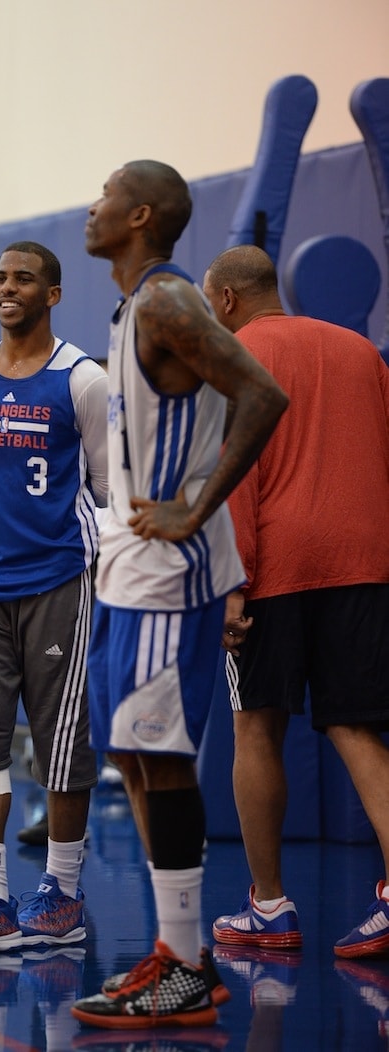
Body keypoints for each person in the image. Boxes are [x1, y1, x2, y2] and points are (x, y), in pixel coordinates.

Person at [70, 161, 288, 1031]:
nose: (92, 206)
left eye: (105, 196)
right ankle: (173, 951)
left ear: (141, 215)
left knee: (159, 759)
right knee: (126, 752)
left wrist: (198, 505)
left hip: (171, 574)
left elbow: (264, 393)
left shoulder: (167, 300)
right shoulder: (131, 311)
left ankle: (190, 966)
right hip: (127, 571)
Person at [202, 244, 389, 958]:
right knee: (357, 730)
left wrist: (233, 582)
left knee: (256, 728)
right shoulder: (361, 352)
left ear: (223, 301)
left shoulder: (233, 360)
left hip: (276, 565)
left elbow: (236, 476)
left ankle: (270, 908)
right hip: (364, 564)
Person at [0, 241, 108, 955]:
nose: (8, 288)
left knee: (60, 747)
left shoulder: (82, 379)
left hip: (58, 581)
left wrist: (94, 566)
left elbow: (100, 487)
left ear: (53, 294)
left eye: (24, 278)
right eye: (1, 277)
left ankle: (62, 895)